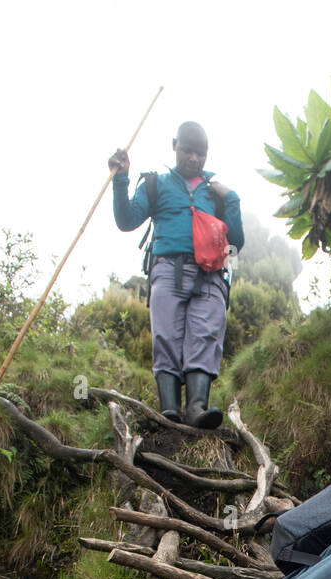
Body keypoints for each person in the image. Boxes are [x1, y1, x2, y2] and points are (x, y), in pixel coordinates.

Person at [108, 121, 244, 428]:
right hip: (167, 269)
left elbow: (236, 242)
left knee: (205, 337)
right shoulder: (156, 184)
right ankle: (169, 409)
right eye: (188, 151)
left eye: (201, 153)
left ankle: (196, 408)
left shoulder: (216, 194)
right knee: (166, 336)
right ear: (174, 145)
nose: (194, 158)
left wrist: (232, 200)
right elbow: (127, 219)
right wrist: (121, 179)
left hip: (210, 276)